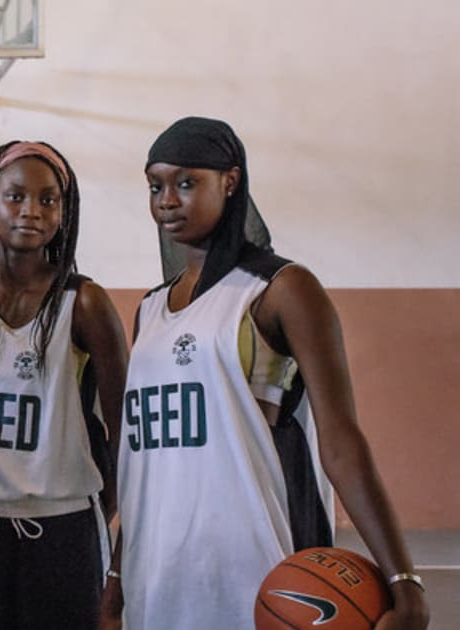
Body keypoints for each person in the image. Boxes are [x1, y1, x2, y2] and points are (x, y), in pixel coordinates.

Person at [98, 117, 430, 629]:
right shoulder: (151, 310)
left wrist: (404, 582)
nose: (167, 201)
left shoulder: (280, 290)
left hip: (258, 573)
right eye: (155, 186)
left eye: (186, 183)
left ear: (230, 181)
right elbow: (147, 467)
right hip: (158, 580)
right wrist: (117, 581)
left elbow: (341, 443)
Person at [0, 141, 128, 629]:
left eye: (48, 200)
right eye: (16, 196)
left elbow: (126, 434)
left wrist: (111, 527)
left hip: (62, 530)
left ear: (65, 212)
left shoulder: (84, 302)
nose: (31, 210)